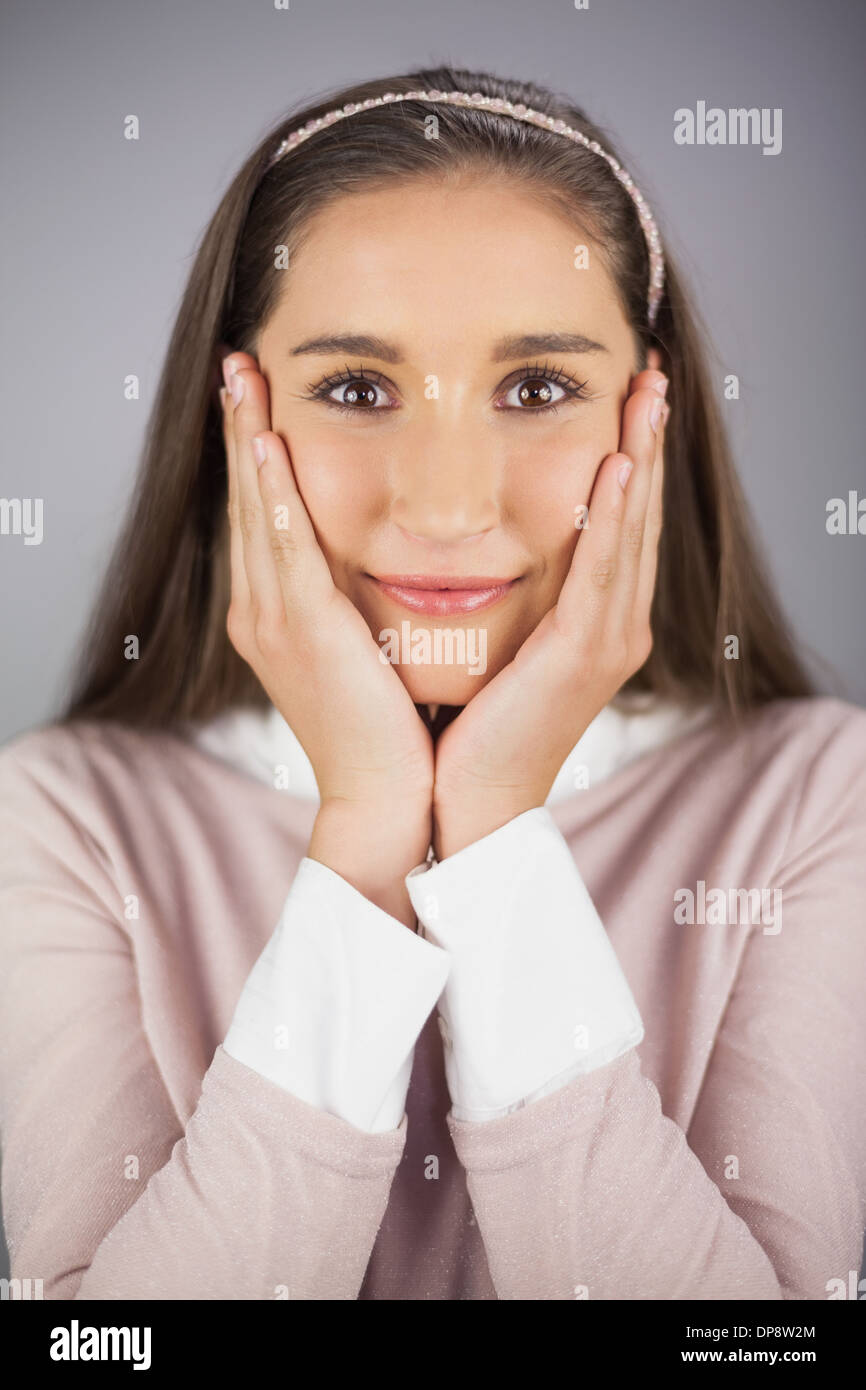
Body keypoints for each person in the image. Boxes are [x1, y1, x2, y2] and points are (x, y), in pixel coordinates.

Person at [1, 65, 864, 1301]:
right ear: (232, 425)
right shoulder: (63, 815)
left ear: (646, 423)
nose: (450, 505)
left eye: (536, 388)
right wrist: (361, 832)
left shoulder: (817, 795)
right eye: (356, 389)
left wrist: (500, 824)